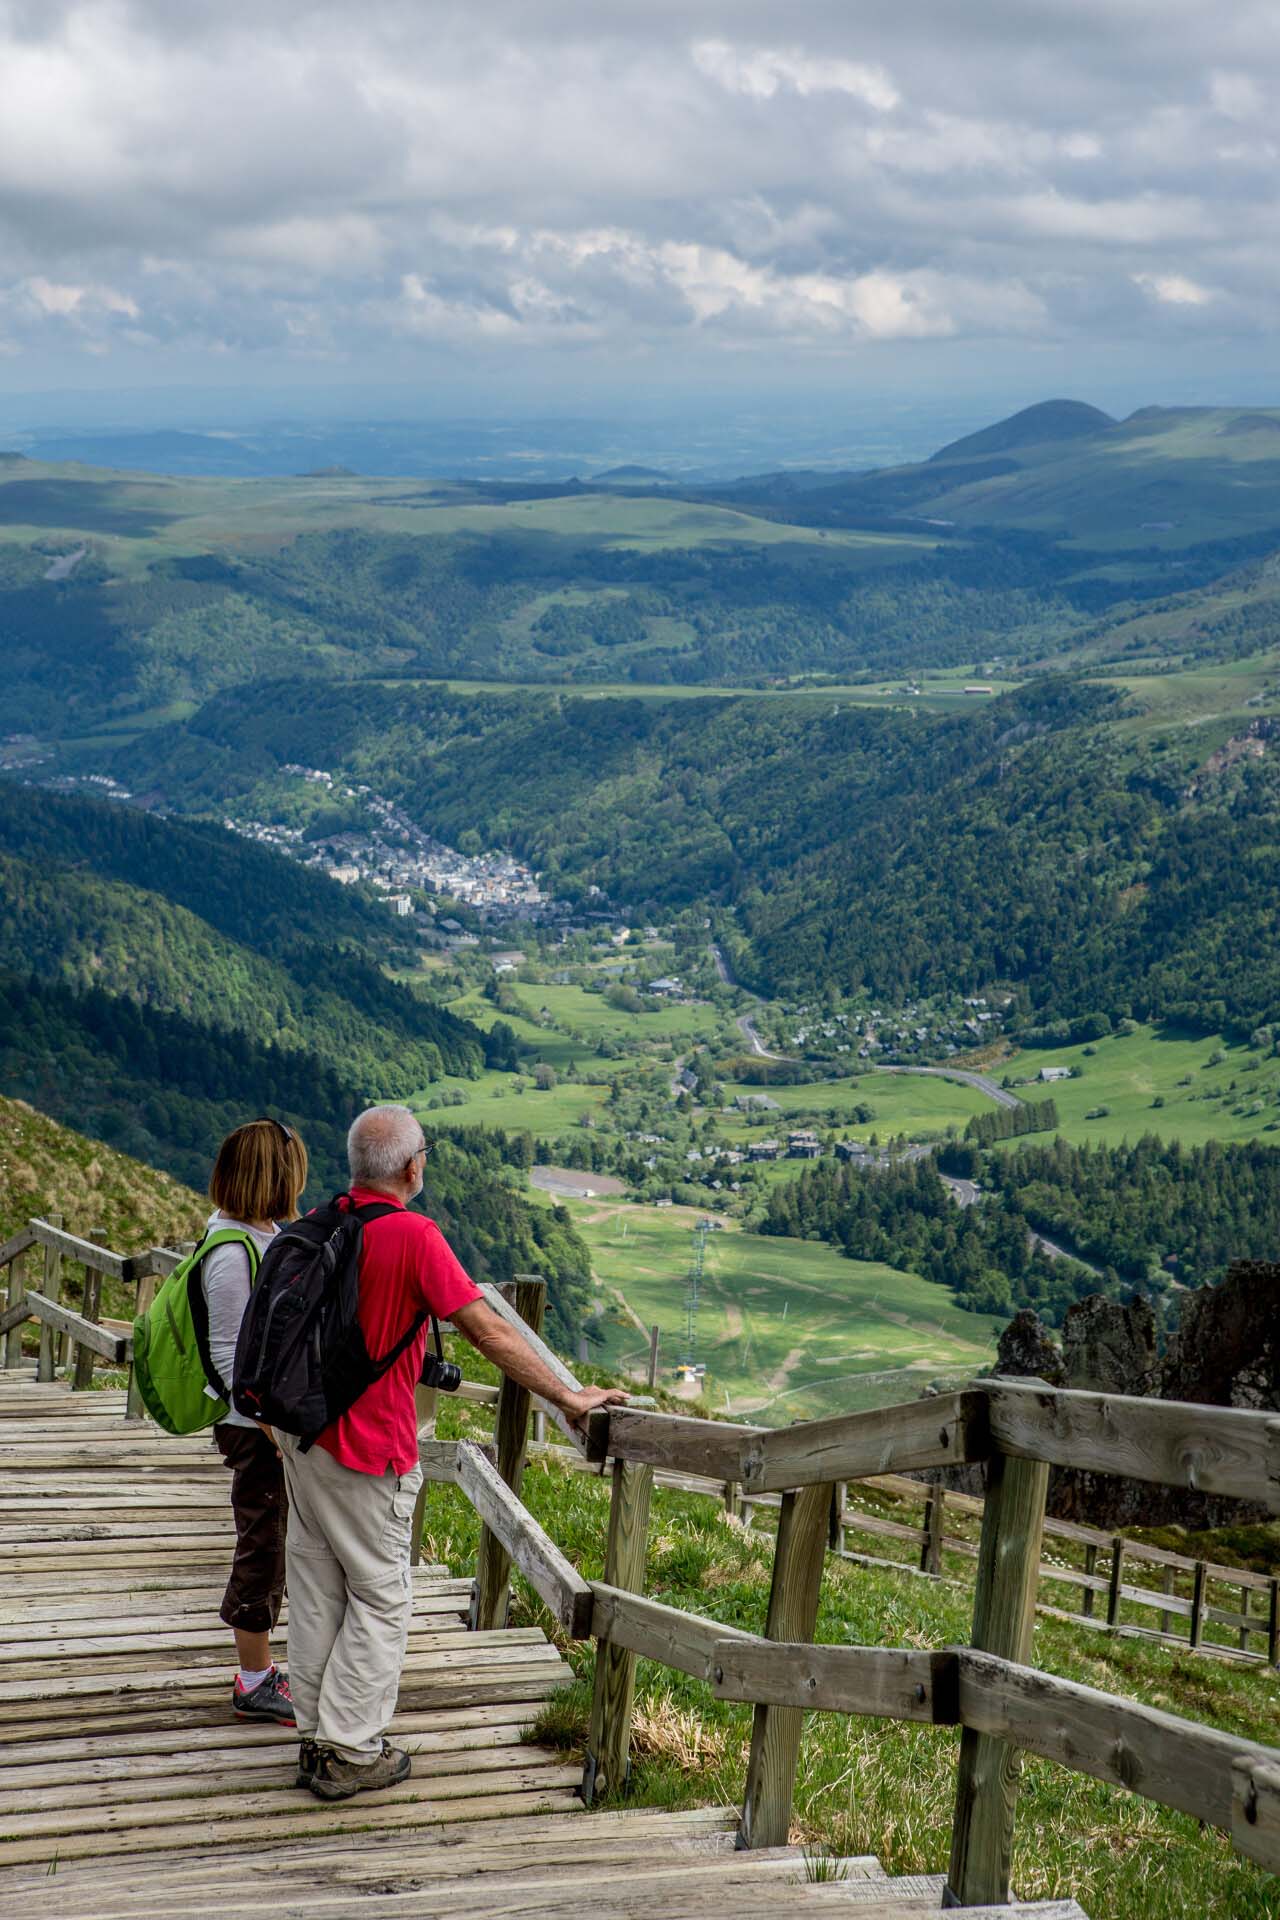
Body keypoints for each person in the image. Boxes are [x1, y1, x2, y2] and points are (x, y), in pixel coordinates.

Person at [277, 1103, 627, 1802]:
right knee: (380, 1597)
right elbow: (487, 1332)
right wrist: (567, 1395)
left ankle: (317, 1738)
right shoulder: (413, 1235)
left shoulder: (321, 1221)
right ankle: (349, 1751)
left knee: (315, 1592)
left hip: (302, 1438)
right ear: (413, 1167)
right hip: (367, 1447)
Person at [204, 1116, 309, 1725]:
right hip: (254, 1427)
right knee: (262, 1544)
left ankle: (264, 1669)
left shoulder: (258, 1235)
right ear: (273, 1176)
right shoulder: (231, 1251)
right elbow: (228, 1356)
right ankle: (253, 1680)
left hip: (266, 1421)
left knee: (275, 1539)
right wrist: (272, 1429)